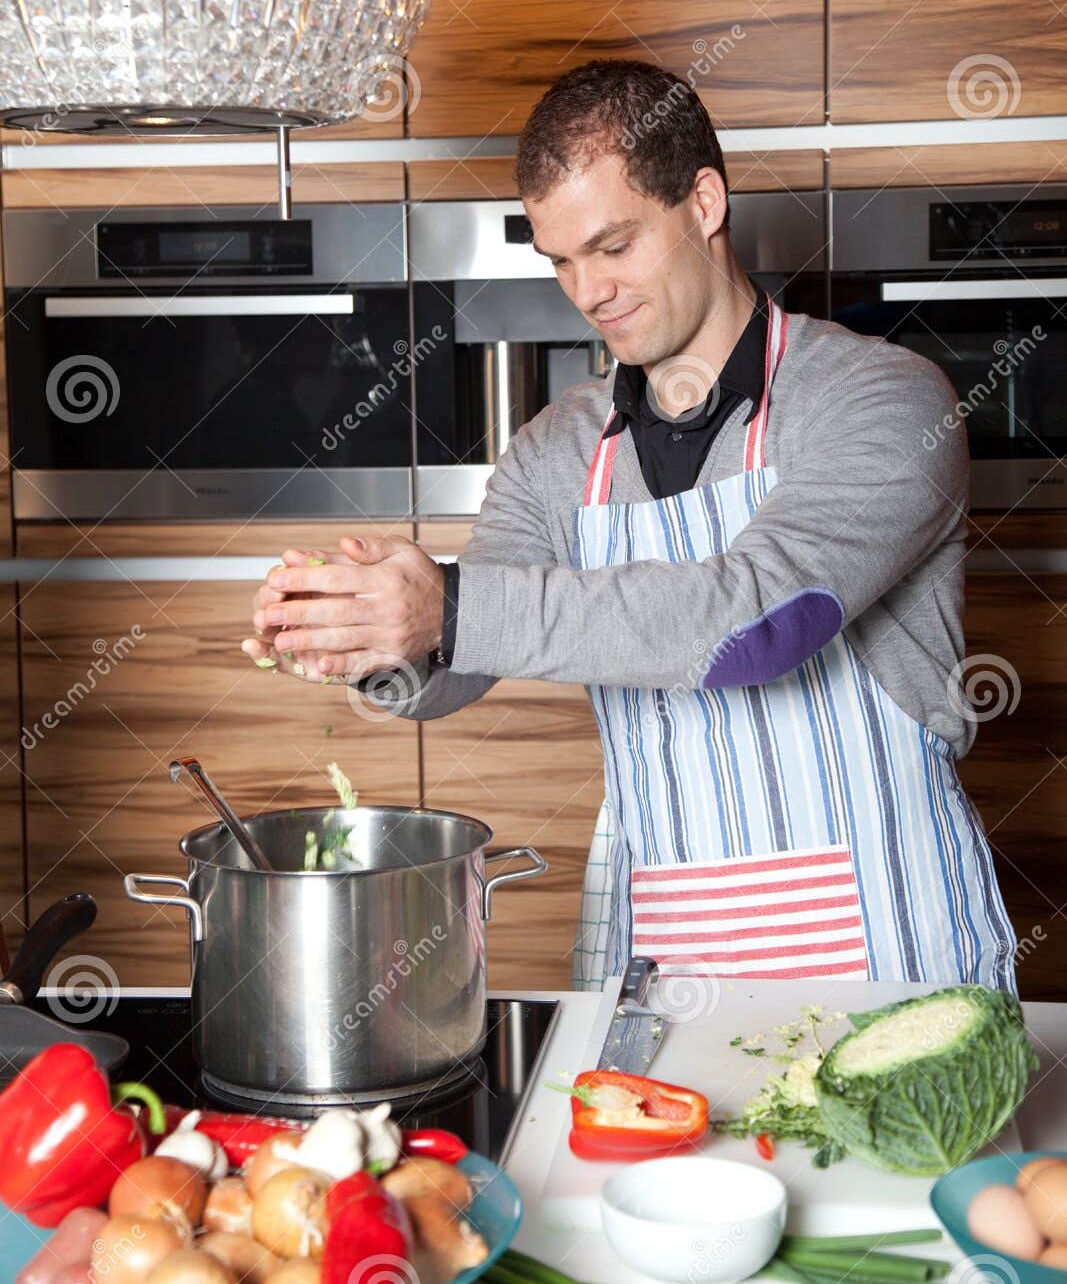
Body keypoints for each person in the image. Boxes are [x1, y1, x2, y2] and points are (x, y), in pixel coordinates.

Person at [243, 58, 1017, 993]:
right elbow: (464, 656)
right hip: (665, 954)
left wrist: (444, 603)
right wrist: (361, 628)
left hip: (891, 956)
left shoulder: (881, 399)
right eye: (560, 260)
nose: (586, 290)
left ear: (702, 202)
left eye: (612, 245)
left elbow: (759, 622)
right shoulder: (555, 452)